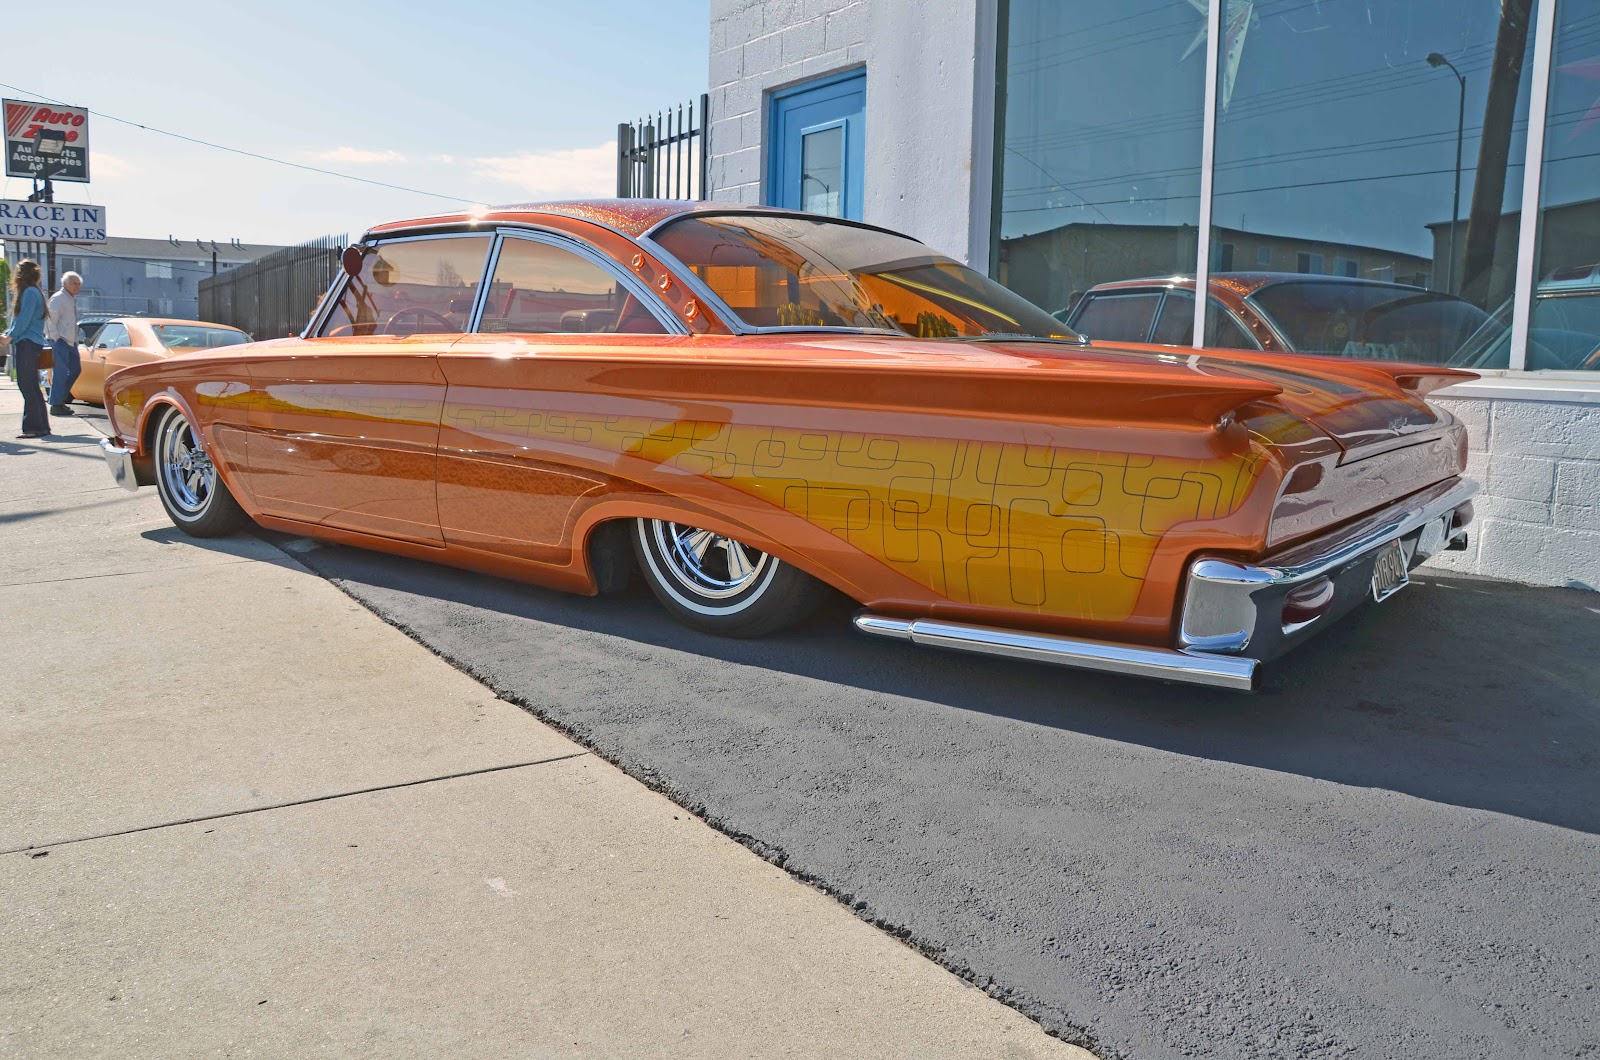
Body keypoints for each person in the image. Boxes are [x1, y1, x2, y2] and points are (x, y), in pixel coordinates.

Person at [2, 260, 51, 439]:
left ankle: (33, 428)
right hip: (30, 342)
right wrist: (8, 334)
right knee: (31, 386)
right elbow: (20, 321)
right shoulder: (34, 291)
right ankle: (41, 427)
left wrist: (9, 337)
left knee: (27, 386)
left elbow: (23, 320)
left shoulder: (29, 293)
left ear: (20, 275)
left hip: (28, 343)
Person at [45, 270, 83, 415]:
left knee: (75, 369)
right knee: (60, 372)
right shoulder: (59, 298)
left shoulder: (71, 299)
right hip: (60, 340)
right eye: (74, 283)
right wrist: (55, 338)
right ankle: (56, 404)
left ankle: (58, 400)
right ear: (65, 284)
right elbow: (49, 320)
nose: (77, 286)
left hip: (71, 341)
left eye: (79, 284)